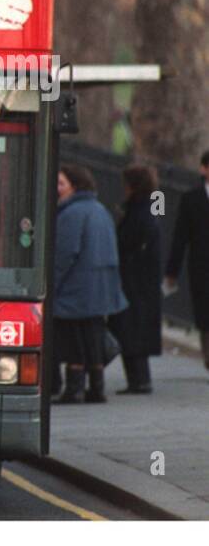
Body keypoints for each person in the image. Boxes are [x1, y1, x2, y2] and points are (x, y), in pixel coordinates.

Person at [54, 164, 126, 404]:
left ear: (74, 185)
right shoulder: (99, 210)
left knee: (73, 338)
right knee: (93, 336)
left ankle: (73, 388)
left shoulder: (71, 213)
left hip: (75, 288)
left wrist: (52, 285)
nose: (57, 189)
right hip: (99, 287)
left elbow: (64, 254)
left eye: (61, 183)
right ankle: (97, 386)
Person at [109, 165, 162, 394]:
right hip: (142, 280)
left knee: (130, 327)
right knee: (133, 328)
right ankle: (139, 378)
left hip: (134, 279)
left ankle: (138, 379)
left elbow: (128, 241)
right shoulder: (150, 207)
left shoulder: (139, 211)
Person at [164, 148, 209, 372]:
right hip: (201, 266)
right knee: (204, 315)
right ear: (204, 169)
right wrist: (172, 271)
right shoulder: (192, 198)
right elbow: (180, 237)